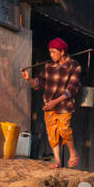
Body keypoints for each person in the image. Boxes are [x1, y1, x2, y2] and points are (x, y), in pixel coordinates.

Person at [20, 37, 81, 169]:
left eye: (54, 52)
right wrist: (28, 79)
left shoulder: (74, 66)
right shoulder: (48, 66)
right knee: (52, 133)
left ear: (62, 52)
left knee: (64, 129)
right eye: (50, 52)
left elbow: (72, 89)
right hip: (49, 105)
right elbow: (38, 84)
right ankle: (57, 161)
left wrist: (55, 101)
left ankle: (73, 152)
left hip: (64, 105)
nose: (51, 55)